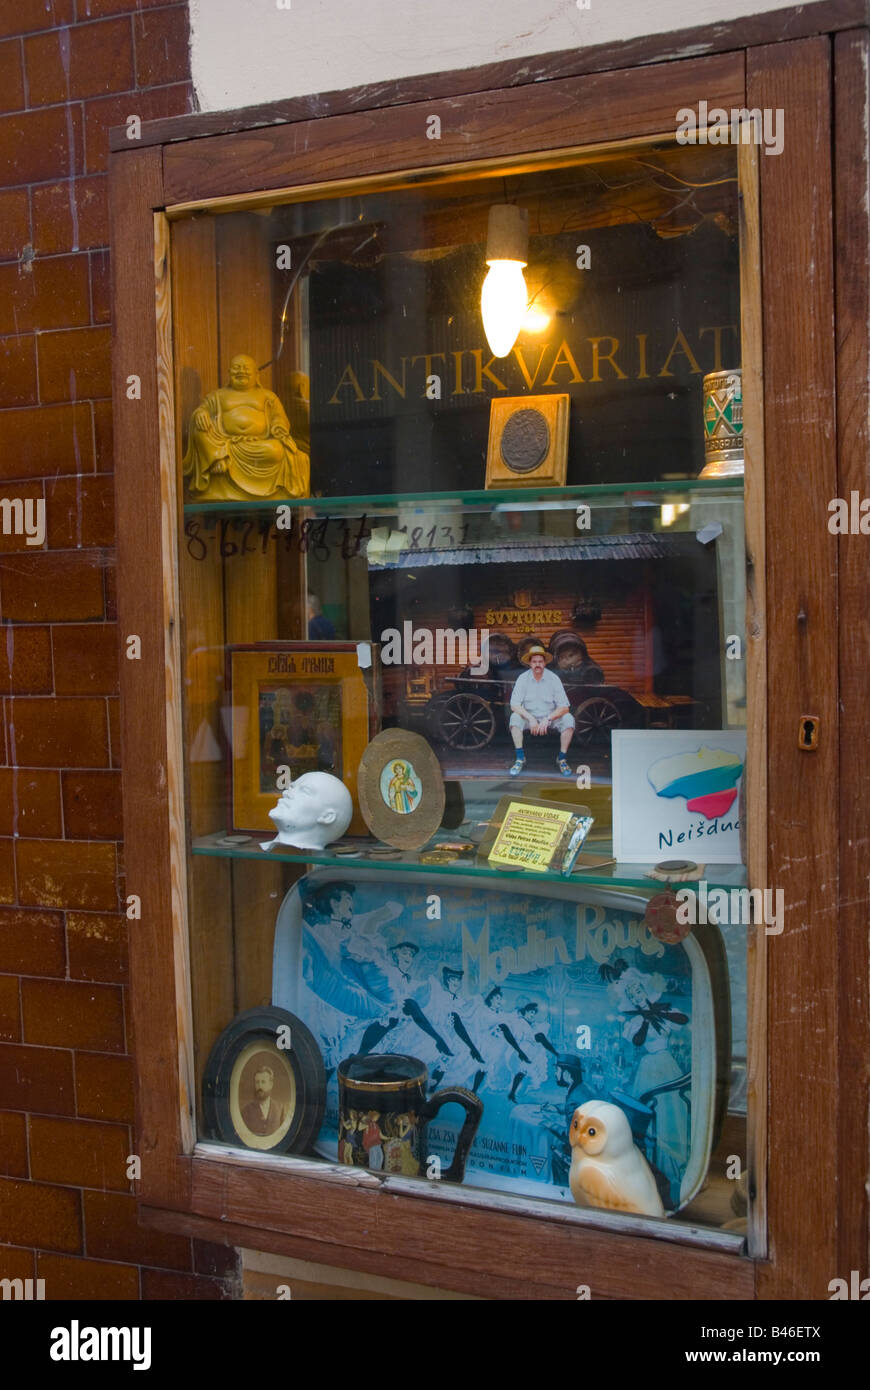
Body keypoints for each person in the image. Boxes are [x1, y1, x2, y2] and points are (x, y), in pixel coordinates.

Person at [182, 354, 309, 501]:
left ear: (256, 374)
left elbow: (278, 417)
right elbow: (202, 409)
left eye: (246, 368)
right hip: (226, 447)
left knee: (276, 450)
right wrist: (200, 413)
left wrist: (278, 426)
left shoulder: (268, 396)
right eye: (236, 368)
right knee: (199, 429)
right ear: (229, 373)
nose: (241, 371)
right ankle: (217, 460)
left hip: (258, 445)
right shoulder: (217, 396)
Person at [507, 645, 575, 777]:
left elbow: (564, 707)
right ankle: (520, 758)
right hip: (529, 718)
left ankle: (561, 759)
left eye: (540, 661)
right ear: (530, 663)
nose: (537, 664)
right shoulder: (523, 678)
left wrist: (548, 719)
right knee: (514, 718)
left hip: (549, 718)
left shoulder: (553, 678)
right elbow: (514, 705)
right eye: (534, 661)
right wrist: (531, 719)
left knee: (568, 719)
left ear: (544, 663)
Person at [241, 1065, 285, 1136]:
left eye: (263, 1082)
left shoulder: (280, 1108)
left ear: (271, 1084)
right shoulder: (246, 1110)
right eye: (257, 1082)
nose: (260, 1086)